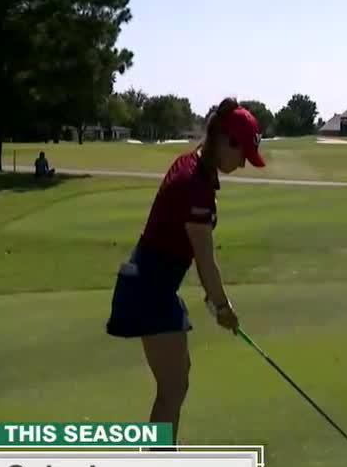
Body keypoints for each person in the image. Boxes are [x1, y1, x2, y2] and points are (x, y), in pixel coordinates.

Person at [105, 98, 263, 442]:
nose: (244, 164)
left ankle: (159, 462)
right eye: (243, 155)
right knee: (174, 387)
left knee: (176, 383)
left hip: (154, 284)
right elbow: (205, 258)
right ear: (225, 140)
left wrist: (216, 302)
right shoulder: (195, 184)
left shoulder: (195, 168)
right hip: (149, 287)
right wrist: (222, 307)